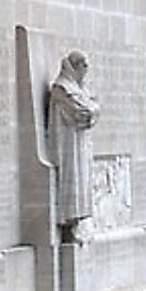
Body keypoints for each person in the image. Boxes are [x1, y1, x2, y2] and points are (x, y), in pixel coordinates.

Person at [47, 50, 100, 243]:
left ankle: (81, 221)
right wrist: (92, 111)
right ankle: (70, 222)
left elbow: (94, 108)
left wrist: (92, 111)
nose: (86, 71)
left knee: (83, 180)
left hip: (81, 143)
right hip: (68, 144)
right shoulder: (61, 88)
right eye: (83, 66)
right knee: (73, 179)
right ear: (75, 66)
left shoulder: (80, 88)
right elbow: (80, 113)